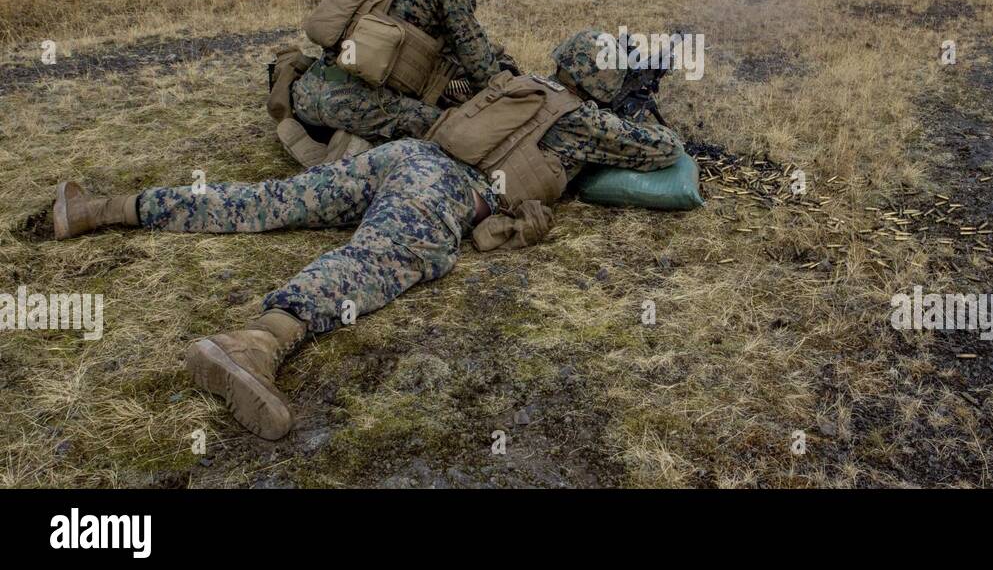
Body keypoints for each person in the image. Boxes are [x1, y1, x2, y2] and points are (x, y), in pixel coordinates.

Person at [52, 31, 682, 440]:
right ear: (603, 85)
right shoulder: (586, 121)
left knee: (269, 200)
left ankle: (101, 208)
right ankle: (259, 343)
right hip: (445, 188)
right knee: (380, 259)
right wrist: (626, 115)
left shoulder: (517, 85)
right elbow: (665, 152)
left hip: (402, 157)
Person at [279, 0, 517, 163]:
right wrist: (510, 102)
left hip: (306, 96)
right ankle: (354, 149)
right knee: (451, 130)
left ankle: (324, 131)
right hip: (352, 106)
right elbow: (481, 69)